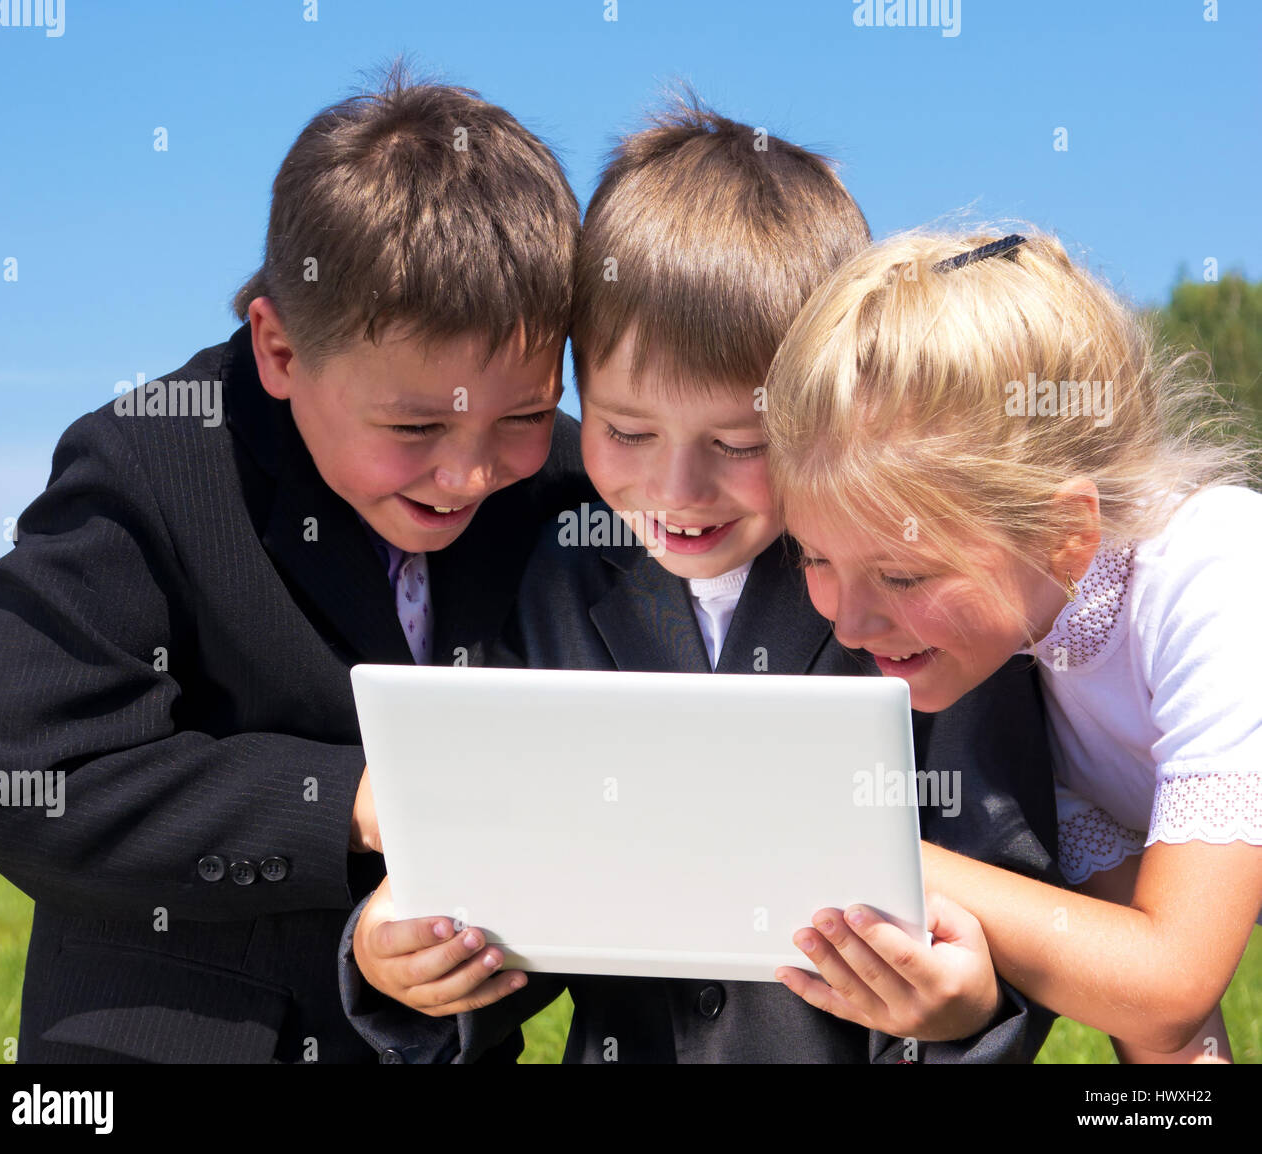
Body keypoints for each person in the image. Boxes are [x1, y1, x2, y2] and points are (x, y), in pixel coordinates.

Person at [342, 102, 1064, 1063]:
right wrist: (405, 961)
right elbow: (516, 883)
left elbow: (1011, 886)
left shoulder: (921, 594)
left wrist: (967, 1009)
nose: (677, 491)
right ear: (575, 390)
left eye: (739, 443)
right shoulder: (557, 584)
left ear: (825, 408)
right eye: (627, 431)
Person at [0, 64, 593, 1064]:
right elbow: (2, 762)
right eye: (413, 427)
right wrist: (344, 799)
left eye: (524, 414)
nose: (470, 473)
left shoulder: (569, 486)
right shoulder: (147, 465)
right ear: (280, 350)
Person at [762, 228, 1262, 1063]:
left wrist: (849, 847)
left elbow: (1172, 978)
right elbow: (1151, 1012)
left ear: (1067, 535)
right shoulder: (1012, 653)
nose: (848, 625)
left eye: (903, 574)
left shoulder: (1216, 571)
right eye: (814, 558)